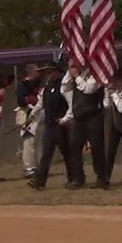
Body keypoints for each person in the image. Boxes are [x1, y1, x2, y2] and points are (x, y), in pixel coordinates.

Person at [30, 62, 83, 190]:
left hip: (61, 125)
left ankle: (74, 178)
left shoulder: (64, 86)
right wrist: (32, 115)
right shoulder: (48, 86)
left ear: (57, 72)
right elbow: (41, 103)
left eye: (51, 71)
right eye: (47, 72)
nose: (49, 74)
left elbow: (71, 105)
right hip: (49, 125)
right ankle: (40, 181)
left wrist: (65, 119)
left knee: (67, 154)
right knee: (46, 154)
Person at [15, 63, 41, 178]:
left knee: (36, 142)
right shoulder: (22, 85)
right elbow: (21, 101)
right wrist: (30, 100)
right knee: (28, 142)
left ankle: (36, 165)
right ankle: (29, 167)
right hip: (27, 116)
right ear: (31, 72)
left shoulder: (37, 84)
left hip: (37, 115)